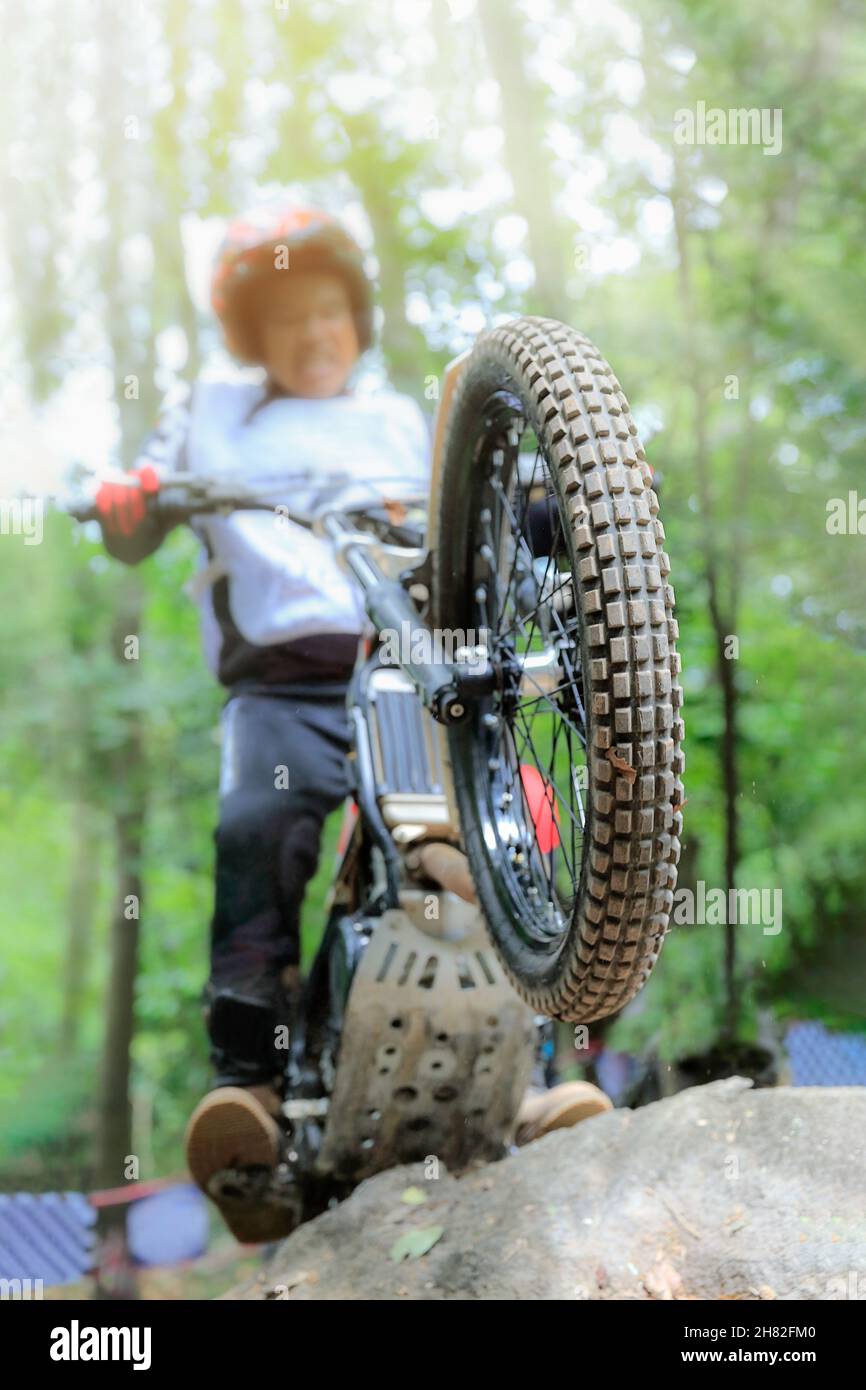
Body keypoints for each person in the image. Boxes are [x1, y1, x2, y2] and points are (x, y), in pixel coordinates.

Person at [96, 201, 612, 1242]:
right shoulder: (210, 411)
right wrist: (127, 503)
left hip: (413, 665)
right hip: (283, 684)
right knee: (257, 827)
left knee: (515, 824)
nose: (314, 333)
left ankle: (541, 1071)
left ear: (358, 319)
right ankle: (248, 1079)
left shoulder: (401, 416)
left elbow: (492, 504)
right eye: (287, 317)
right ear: (251, 335)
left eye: (330, 312)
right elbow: (137, 502)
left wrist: (575, 506)